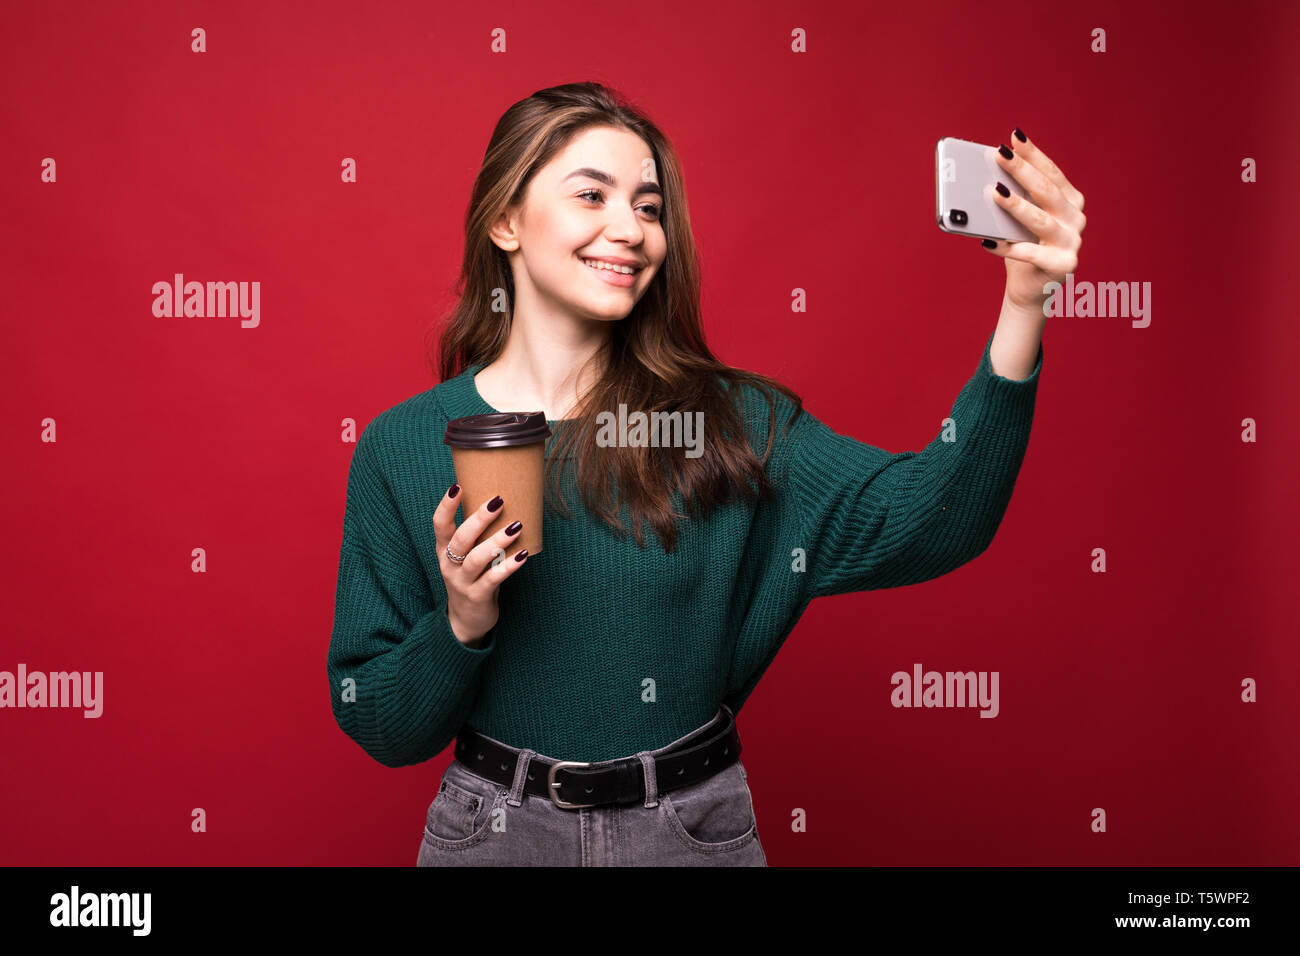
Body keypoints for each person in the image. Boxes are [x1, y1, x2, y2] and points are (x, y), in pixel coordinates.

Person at [326, 82, 1085, 866]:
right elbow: (382, 725)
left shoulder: (731, 424)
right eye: (592, 194)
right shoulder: (403, 446)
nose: (630, 230)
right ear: (506, 220)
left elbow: (935, 516)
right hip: (493, 837)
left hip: (688, 835)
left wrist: (1026, 301)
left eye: (649, 208)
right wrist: (461, 622)